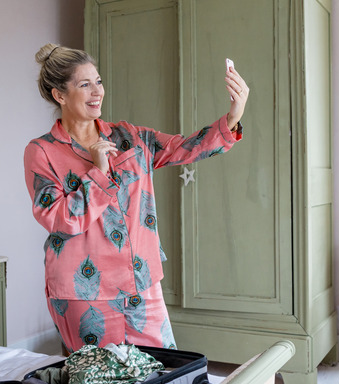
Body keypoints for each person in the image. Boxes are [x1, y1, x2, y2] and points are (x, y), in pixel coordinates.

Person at [23, 43, 249, 353]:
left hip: (140, 281)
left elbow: (185, 147)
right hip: (83, 291)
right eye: (84, 84)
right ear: (59, 95)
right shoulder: (42, 152)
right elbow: (60, 220)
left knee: (164, 371)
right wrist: (99, 172)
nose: (97, 92)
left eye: (98, 81)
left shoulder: (129, 137)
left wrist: (234, 115)